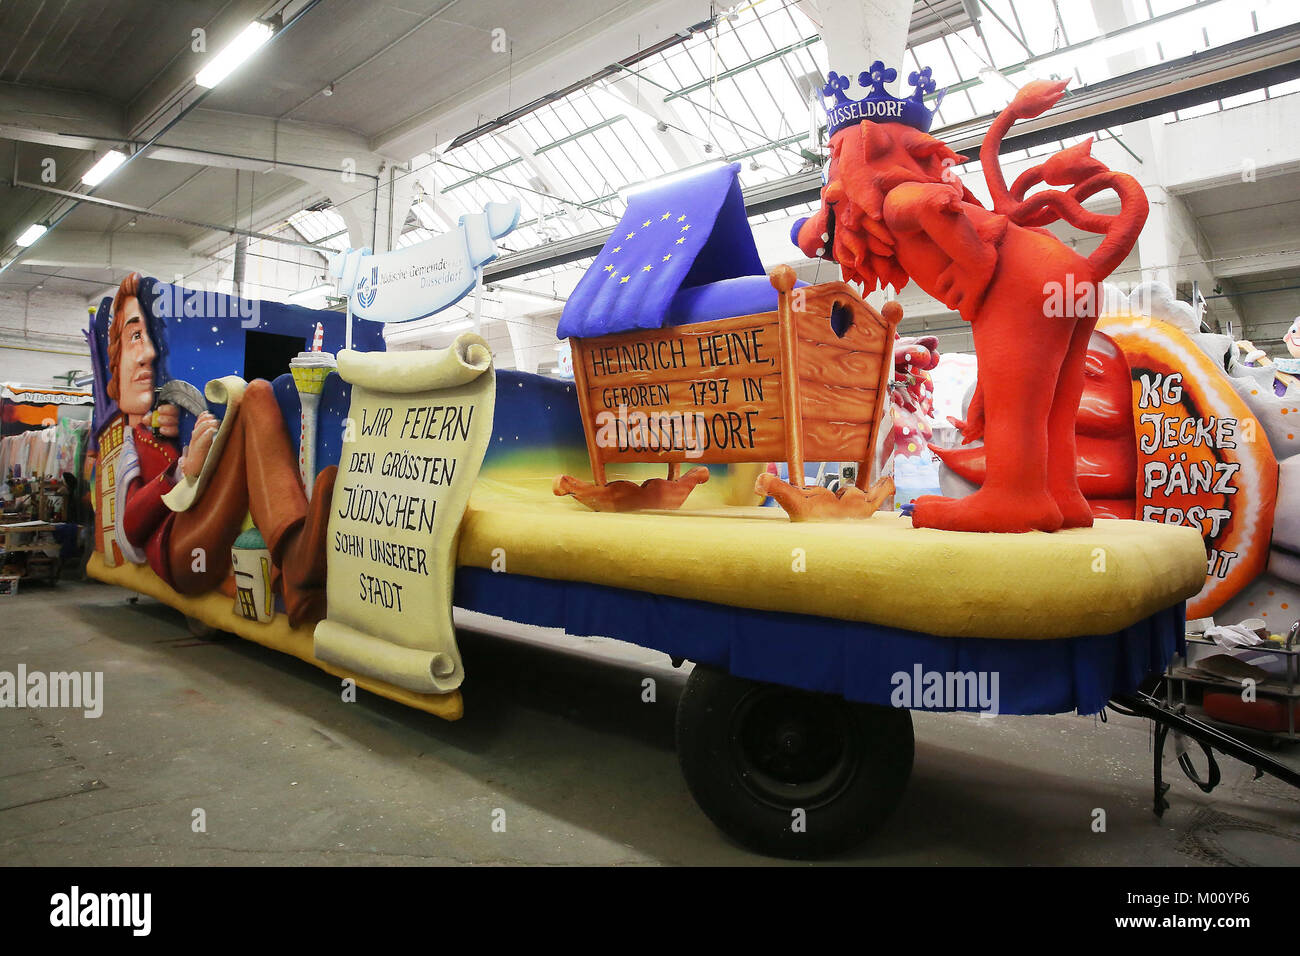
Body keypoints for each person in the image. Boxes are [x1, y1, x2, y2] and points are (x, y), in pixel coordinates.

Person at [107, 273, 332, 625]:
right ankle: (294, 558)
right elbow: (131, 528)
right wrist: (183, 470)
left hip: (201, 520)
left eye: (148, 337)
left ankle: (294, 556)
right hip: (176, 550)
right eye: (135, 337)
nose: (147, 352)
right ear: (116, 361)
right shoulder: (132, 445)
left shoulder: (166, 426)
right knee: (255, 391)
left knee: (257, 392)